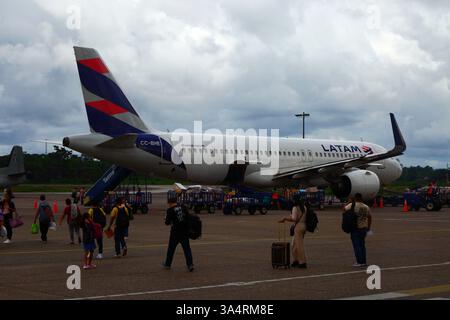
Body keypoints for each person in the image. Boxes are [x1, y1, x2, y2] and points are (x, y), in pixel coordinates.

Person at [162, 197, 194, 272]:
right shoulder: (183, 207)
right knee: (187, 249)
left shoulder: (170, 210)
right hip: (184, 232)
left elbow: (167, 223)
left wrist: (166, 218)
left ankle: (168, 264)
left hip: (175, 233)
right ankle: (190, 265)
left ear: (170, 203)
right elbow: (188, 217)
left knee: (171, 249)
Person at [344, 193, 372, 267]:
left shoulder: (352, 205)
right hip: (364, 228)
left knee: (356, 246)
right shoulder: (366, 207)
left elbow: (344, 209)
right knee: (362, 245)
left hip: (355, 228)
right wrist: (368, 227)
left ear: (355, 198)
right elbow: (369, 217)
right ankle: (363, 261)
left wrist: (349, 202)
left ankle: (359, 261)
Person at [278, 197, 307, 268]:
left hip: (298, 227)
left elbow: (294, 218)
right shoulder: (304, 207)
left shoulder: (295, 208)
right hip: (303, 225)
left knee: (299, 245)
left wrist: (285, 218)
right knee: (294, 244)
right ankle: (296, 260)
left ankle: (302, 262)